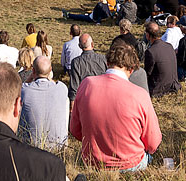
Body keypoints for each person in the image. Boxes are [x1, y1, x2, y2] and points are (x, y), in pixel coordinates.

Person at [69, 40, 162, 171]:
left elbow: (75, 130)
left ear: (107, 63)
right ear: (131, 70)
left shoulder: (86, 84)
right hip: (130, 164)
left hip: (92, 162)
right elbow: (153, 143)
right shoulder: (140, 94)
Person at [20, 55, 69, 151]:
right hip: (57, 147)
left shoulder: (24, 90)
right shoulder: (62, 88)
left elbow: (21, 87)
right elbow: (54, 83)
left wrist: (31, 77)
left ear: (33, 71)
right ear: (50, 70)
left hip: (30, 146)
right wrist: (47, 75)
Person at [142, 20, 179, 96]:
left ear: (148, 35)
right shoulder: (169, 46)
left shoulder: (150, 52)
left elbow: (147, 73)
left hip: (158, 89)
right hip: (173, 85)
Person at [66, 34, 106, 98]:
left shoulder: (76, 62)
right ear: (92, 44)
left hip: (85, 98)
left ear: (79, 46)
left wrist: (72, 105)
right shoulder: (103, 59)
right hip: (103, 95)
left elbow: (74, 87)